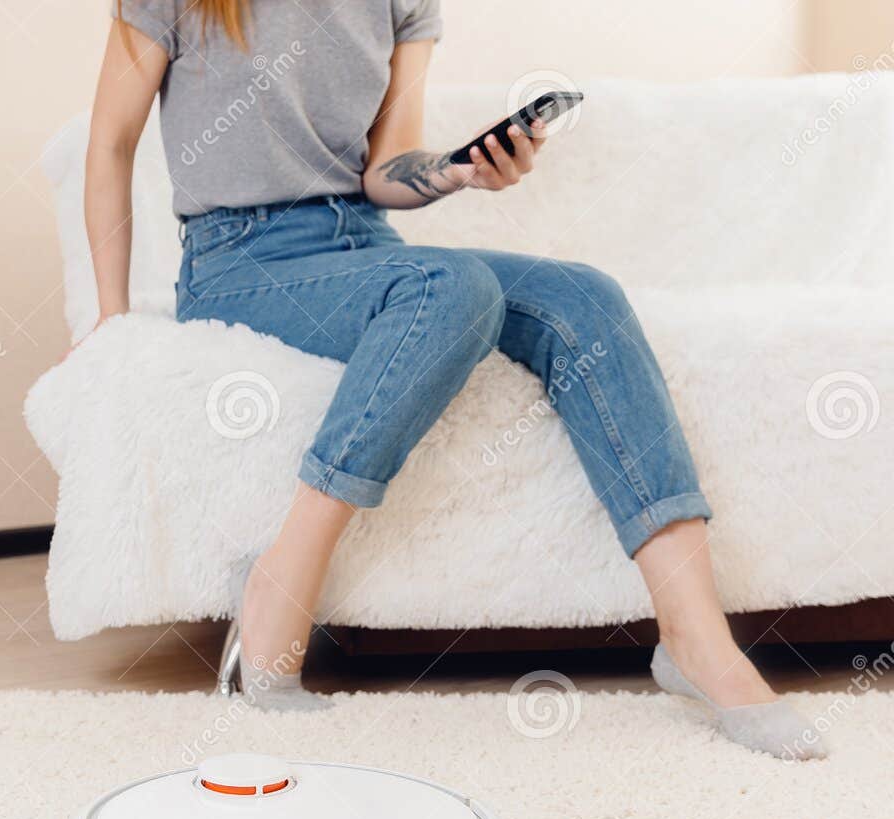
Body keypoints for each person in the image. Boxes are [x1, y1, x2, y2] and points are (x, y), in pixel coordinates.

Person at [80, 0, 824, 758]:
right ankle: (282, 578)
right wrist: (111, 321)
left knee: (585, 297)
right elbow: (110, 143)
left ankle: (695, 637)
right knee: (454, 286)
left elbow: (384, 171)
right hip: (238, 261)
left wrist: (458, 172)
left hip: (359, 239)